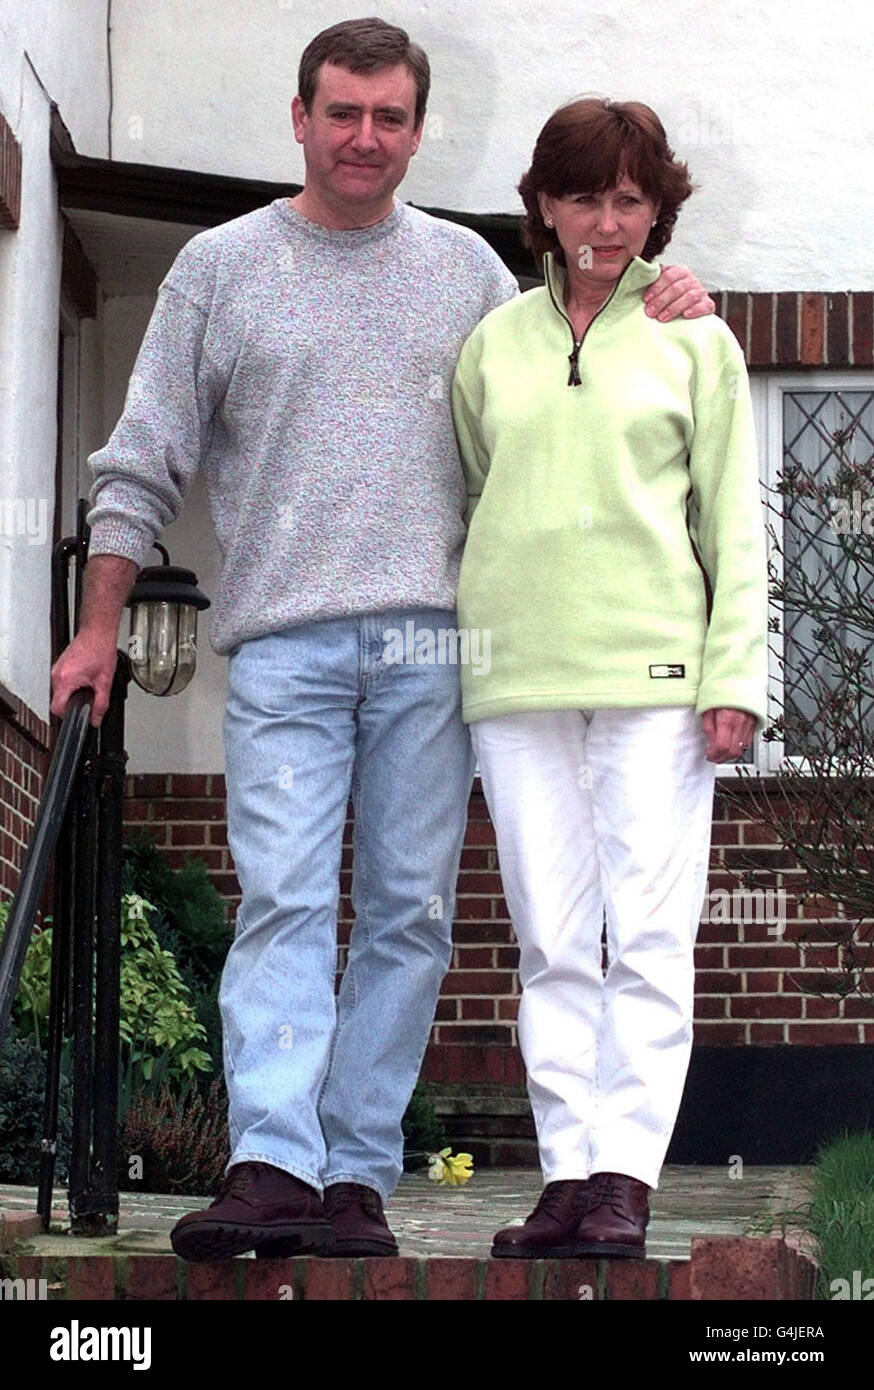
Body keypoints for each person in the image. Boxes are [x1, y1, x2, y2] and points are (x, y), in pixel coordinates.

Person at [49, 21, 715, 1263]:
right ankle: (272, 1163)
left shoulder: (467, 275)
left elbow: (572, 378)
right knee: (287, 902)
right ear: (298, 117)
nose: (365, 137)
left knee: (409, 914)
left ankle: (354, 1178)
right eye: (343, 112)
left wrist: (672, 294)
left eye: (390, 117)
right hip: (286, 650)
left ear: (417, 130)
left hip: (436, 650)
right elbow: (138, 462)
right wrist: (97, 630)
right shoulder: (219, 270)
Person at [451, 97, 769, 1260]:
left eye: (629, 198)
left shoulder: (698, 340)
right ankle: (565, 1175)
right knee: (548, 937)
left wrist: (732, 673)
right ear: (543, 205)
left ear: (657, 211)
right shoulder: (492, 344)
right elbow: (480, 493)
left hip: (655, 679)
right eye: (583, 195)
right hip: (517, 680)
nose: (605, 219)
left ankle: (625, 1179)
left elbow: (733, 522)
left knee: (644, 937)